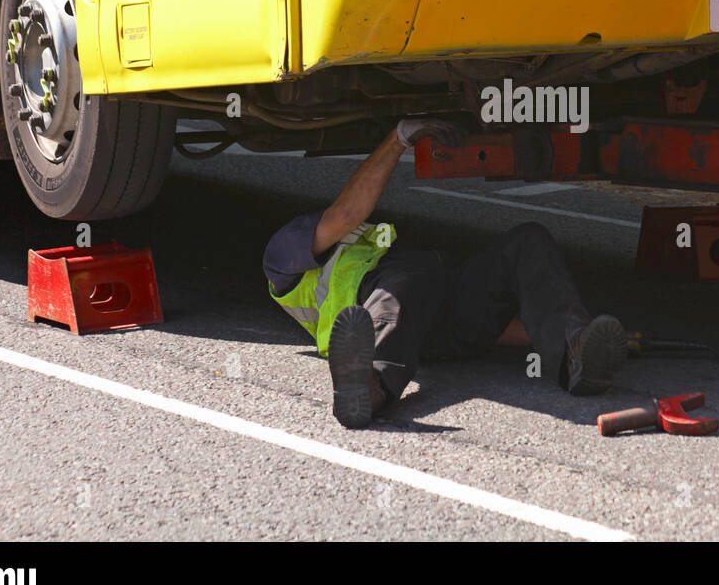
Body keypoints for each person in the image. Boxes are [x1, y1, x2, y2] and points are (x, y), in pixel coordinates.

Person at [262, 118, 627, 428]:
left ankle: (575, 357)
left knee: (527, 241)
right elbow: (345, 214)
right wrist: (398, 137)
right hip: (385, 318)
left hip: (445, 315)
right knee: (401, 285)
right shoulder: (282, 251)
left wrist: (554, 332)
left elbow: (486, 317)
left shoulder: (382, 246)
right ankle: (369, 386)